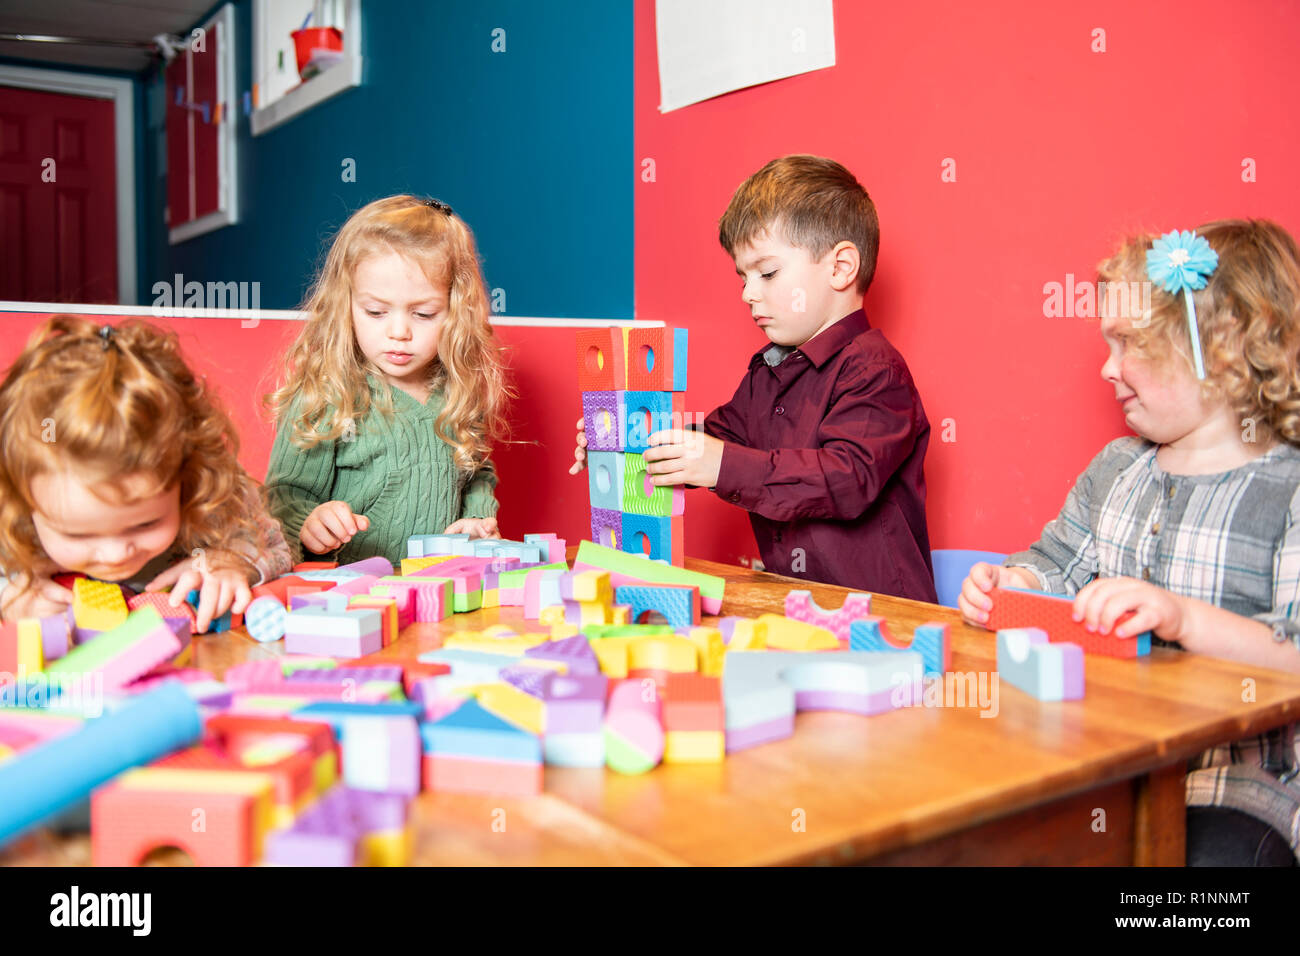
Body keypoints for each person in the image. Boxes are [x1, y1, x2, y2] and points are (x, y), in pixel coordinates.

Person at [960, 219, 1300, 866]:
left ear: (1219, 349)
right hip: (1109, 764)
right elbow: (1053, 565)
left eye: (1127, 343)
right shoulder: (1117, 470)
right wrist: (1013, 585)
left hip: (1242, 789)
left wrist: (1185, 618)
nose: (1106, 368)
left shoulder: (1288, 488)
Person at [572, 156, 935, 600]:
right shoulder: (767, 373)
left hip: (884, 616)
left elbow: (846, 477)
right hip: (796, 609)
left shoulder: (876, 370)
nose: (748, 293)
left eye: (767, 273)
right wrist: (626, 440)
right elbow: (715, 439)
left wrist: (721, 465)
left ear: (840, 268)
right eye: (742, 277)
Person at [0, 315, 292, 631]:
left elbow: (279, 550)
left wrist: (233, 565)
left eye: (144, 523)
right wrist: (9, 598)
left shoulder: (214, 502)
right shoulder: (14, 523)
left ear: (188, 481)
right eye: (77, 534)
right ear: (23, 499)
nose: (114, 555)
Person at [265, 195, 509, 566]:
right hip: (356, 594)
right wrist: (308, 523)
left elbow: (476, 472)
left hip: (440, 585)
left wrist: (477, 519)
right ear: (345, 304)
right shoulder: (329, 393)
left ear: (456, 311)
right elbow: (286, 494)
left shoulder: (456, 391)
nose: (399, 332)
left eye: (424, 314)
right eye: (376, 311)